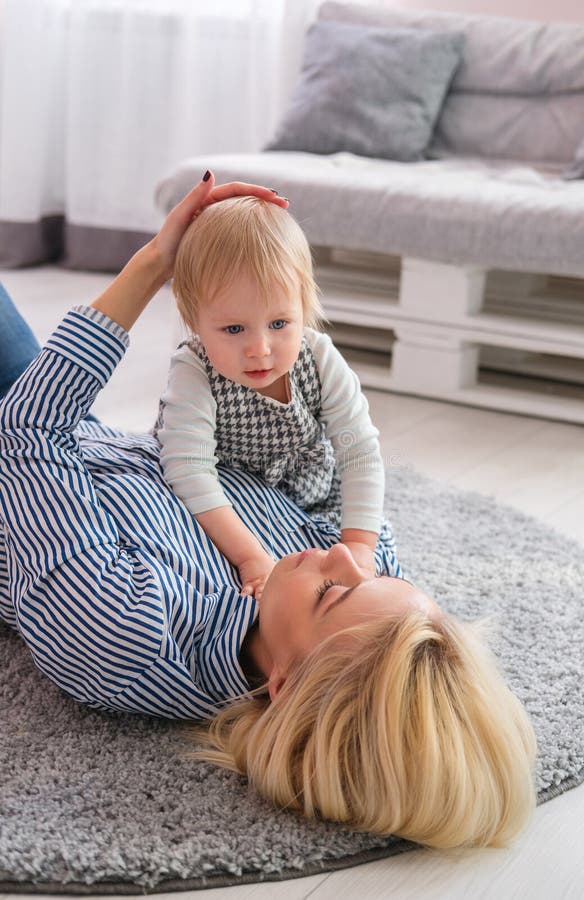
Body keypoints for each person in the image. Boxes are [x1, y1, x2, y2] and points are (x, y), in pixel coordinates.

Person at [0, 173, 537, 850]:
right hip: (81, 434)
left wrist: (157, 262)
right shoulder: (349, 579)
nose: (342, 555)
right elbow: (349, 469)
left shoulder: (131, 635)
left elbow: (24, 433)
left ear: (281, 684)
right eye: (373, 574)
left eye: (334, 594)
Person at [153, 194, 390, 600]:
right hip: (224, 501)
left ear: (304, 305)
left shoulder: (318, 357)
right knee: (208, 577)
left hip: (310, 493)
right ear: (193, 319)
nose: (260, 349)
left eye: (279, 323)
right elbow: (189, 469)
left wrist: (359, 546)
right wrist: (249, 557)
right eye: (233, 329)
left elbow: (360, 451)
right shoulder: (194, 369)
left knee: (377, 564)